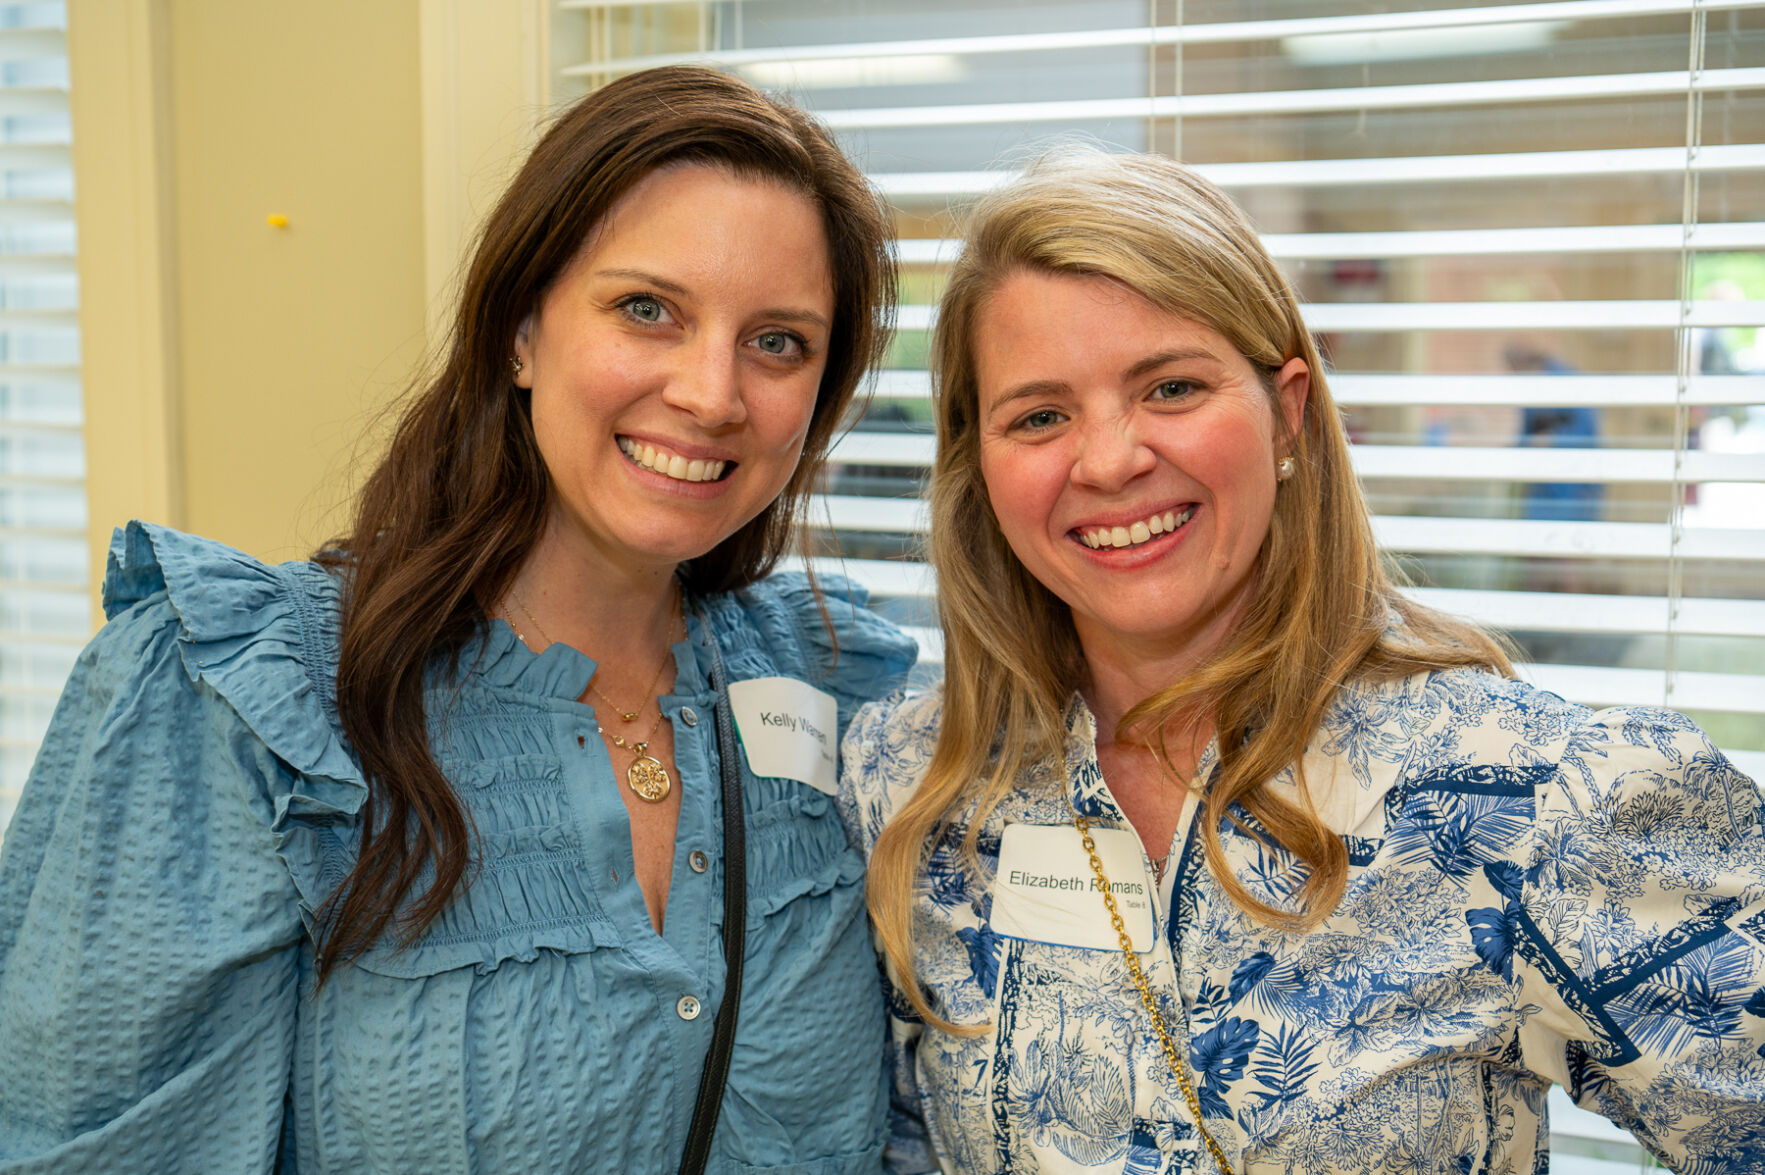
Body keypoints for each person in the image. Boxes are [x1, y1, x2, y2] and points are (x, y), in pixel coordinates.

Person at [0, 66, 916, 1172]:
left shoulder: (834, 684)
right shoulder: (246, 701)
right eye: (646, 309)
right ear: (520, 329)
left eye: (777, 342)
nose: (712, 393)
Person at [839, 147, 1765, 1174]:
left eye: (1171, 387)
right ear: (978, 460)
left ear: (1286, 409)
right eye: (1040, 416)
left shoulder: (1529, 792)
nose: (1107, 460)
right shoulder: (909, 785)